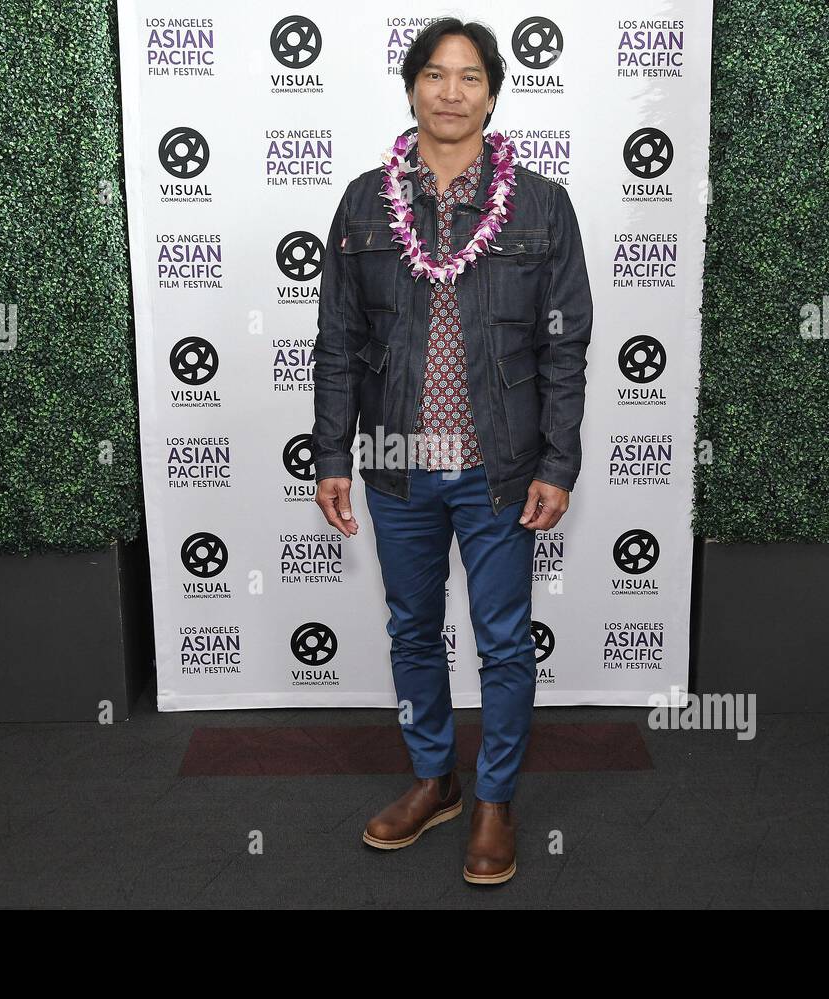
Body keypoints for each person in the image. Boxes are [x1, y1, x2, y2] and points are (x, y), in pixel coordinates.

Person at [310, 17, 592, 885]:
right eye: (436, 74)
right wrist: (330, 456)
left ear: (493, 95)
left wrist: (557, 462)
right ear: (411, 88)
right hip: (396, 462)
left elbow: (565, 346)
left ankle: (496, 797)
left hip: (498, 466)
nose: (451, 91)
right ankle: (435, 779)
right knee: (412, 630)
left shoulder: (540, 204)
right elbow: (338, 341)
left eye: (471, 77)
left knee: (503, 639)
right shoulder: (364, 203)